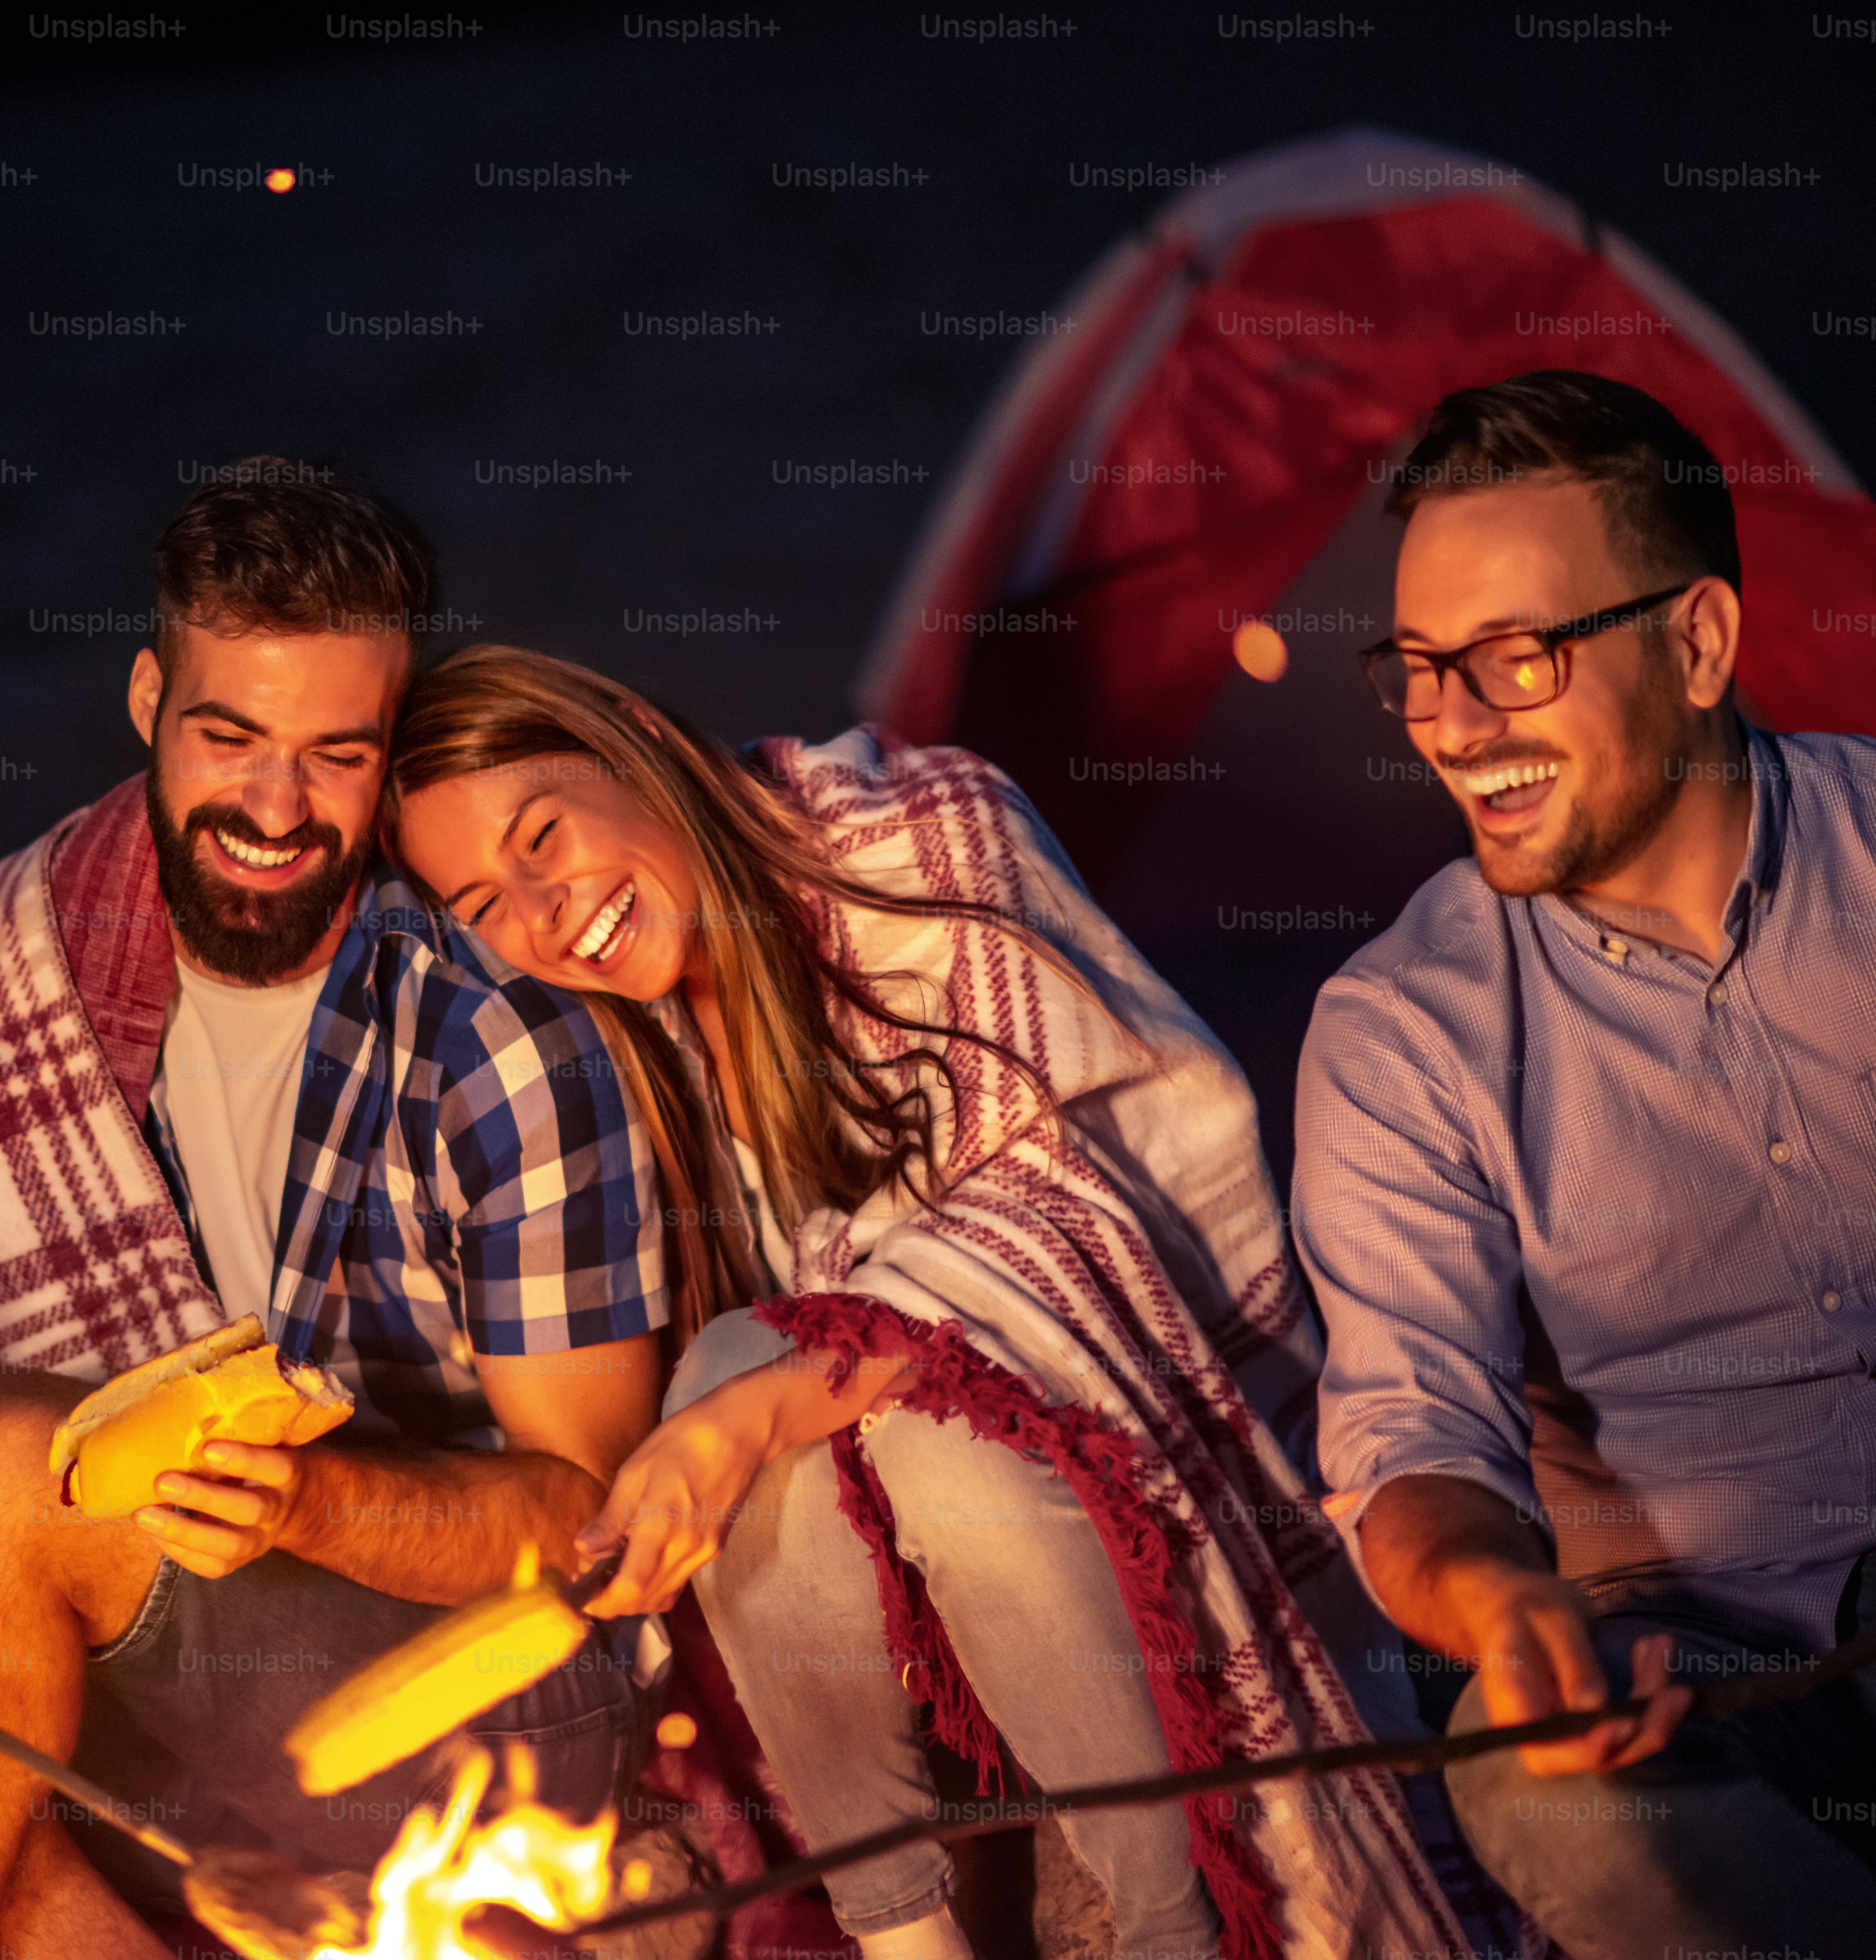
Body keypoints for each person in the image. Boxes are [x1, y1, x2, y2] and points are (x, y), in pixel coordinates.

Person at [0, 462, 669, 1960]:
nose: (273, 805)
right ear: (146, 699)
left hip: (483, 1690)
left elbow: (586, 1523)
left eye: (335, 754)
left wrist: (318, 1501)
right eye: (229, 735)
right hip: (164, 1634)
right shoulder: (21, 940)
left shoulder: (492, 1036)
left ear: (389, 758)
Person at [392, 648, 1482, 1960]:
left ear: (633, 742)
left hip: (1144, 1448)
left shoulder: (917, 833)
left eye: (544, 835)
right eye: (483, 903)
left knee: (884, 1416)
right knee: (750, 1373)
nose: (545, 914)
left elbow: (1066, 1210)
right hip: (916, 1602)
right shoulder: (639, 1040)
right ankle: (905, 1934)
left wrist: (751, 1410)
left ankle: (1171, 1926)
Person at [1296, 368, 1876, 1957]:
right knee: (1532, 1784)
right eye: (1419, 670)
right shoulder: (1396, 1032)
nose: (1449, 726)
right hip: (1693, 1680)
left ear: (1695, 643)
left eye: (1511, 659)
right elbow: (1408, 1433)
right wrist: (1502, 1602)